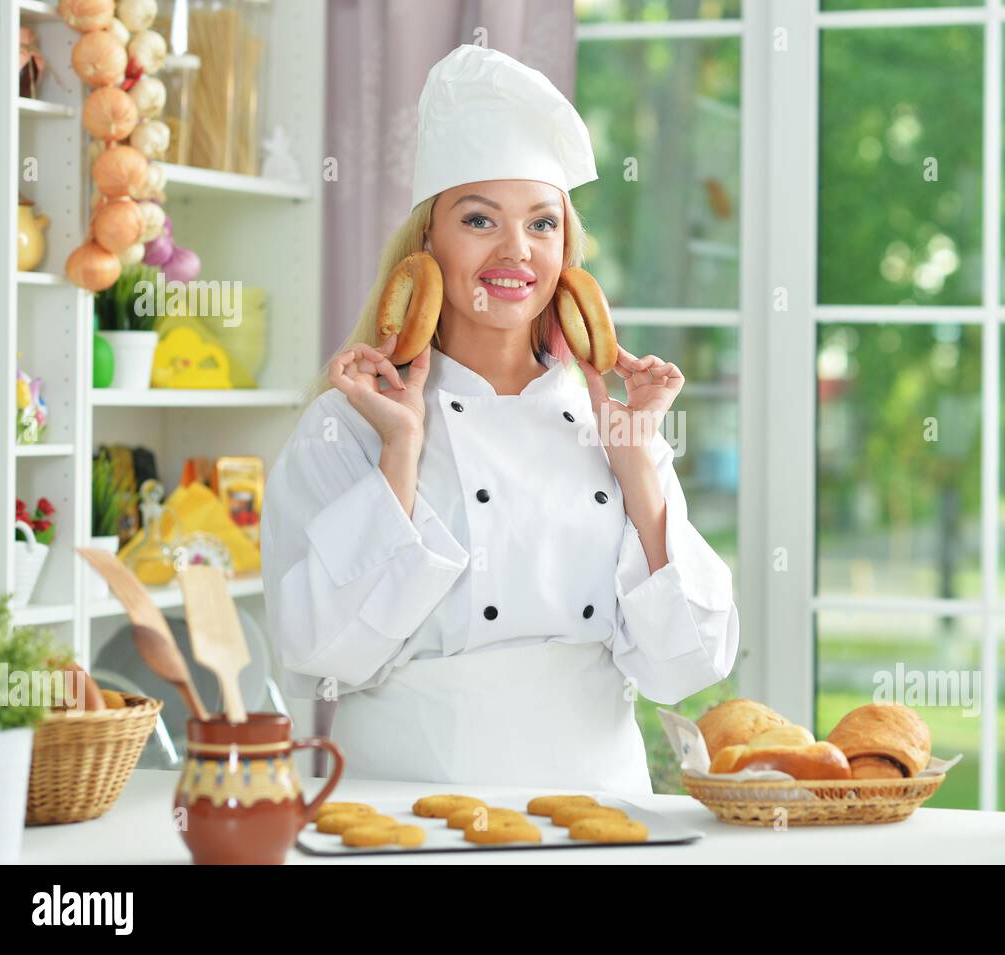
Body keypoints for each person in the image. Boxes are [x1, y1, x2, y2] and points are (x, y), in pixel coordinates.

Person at [260, 45, 739, 794]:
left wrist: (638, 467)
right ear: (425, 249)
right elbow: (314, 653)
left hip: (599, 806)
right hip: (405, 803)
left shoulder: (614, 425)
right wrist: (401, 453)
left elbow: (689, 663)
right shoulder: (348, 424)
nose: (516, 251)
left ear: (566, 255)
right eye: (480, 218)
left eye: (542, 224)